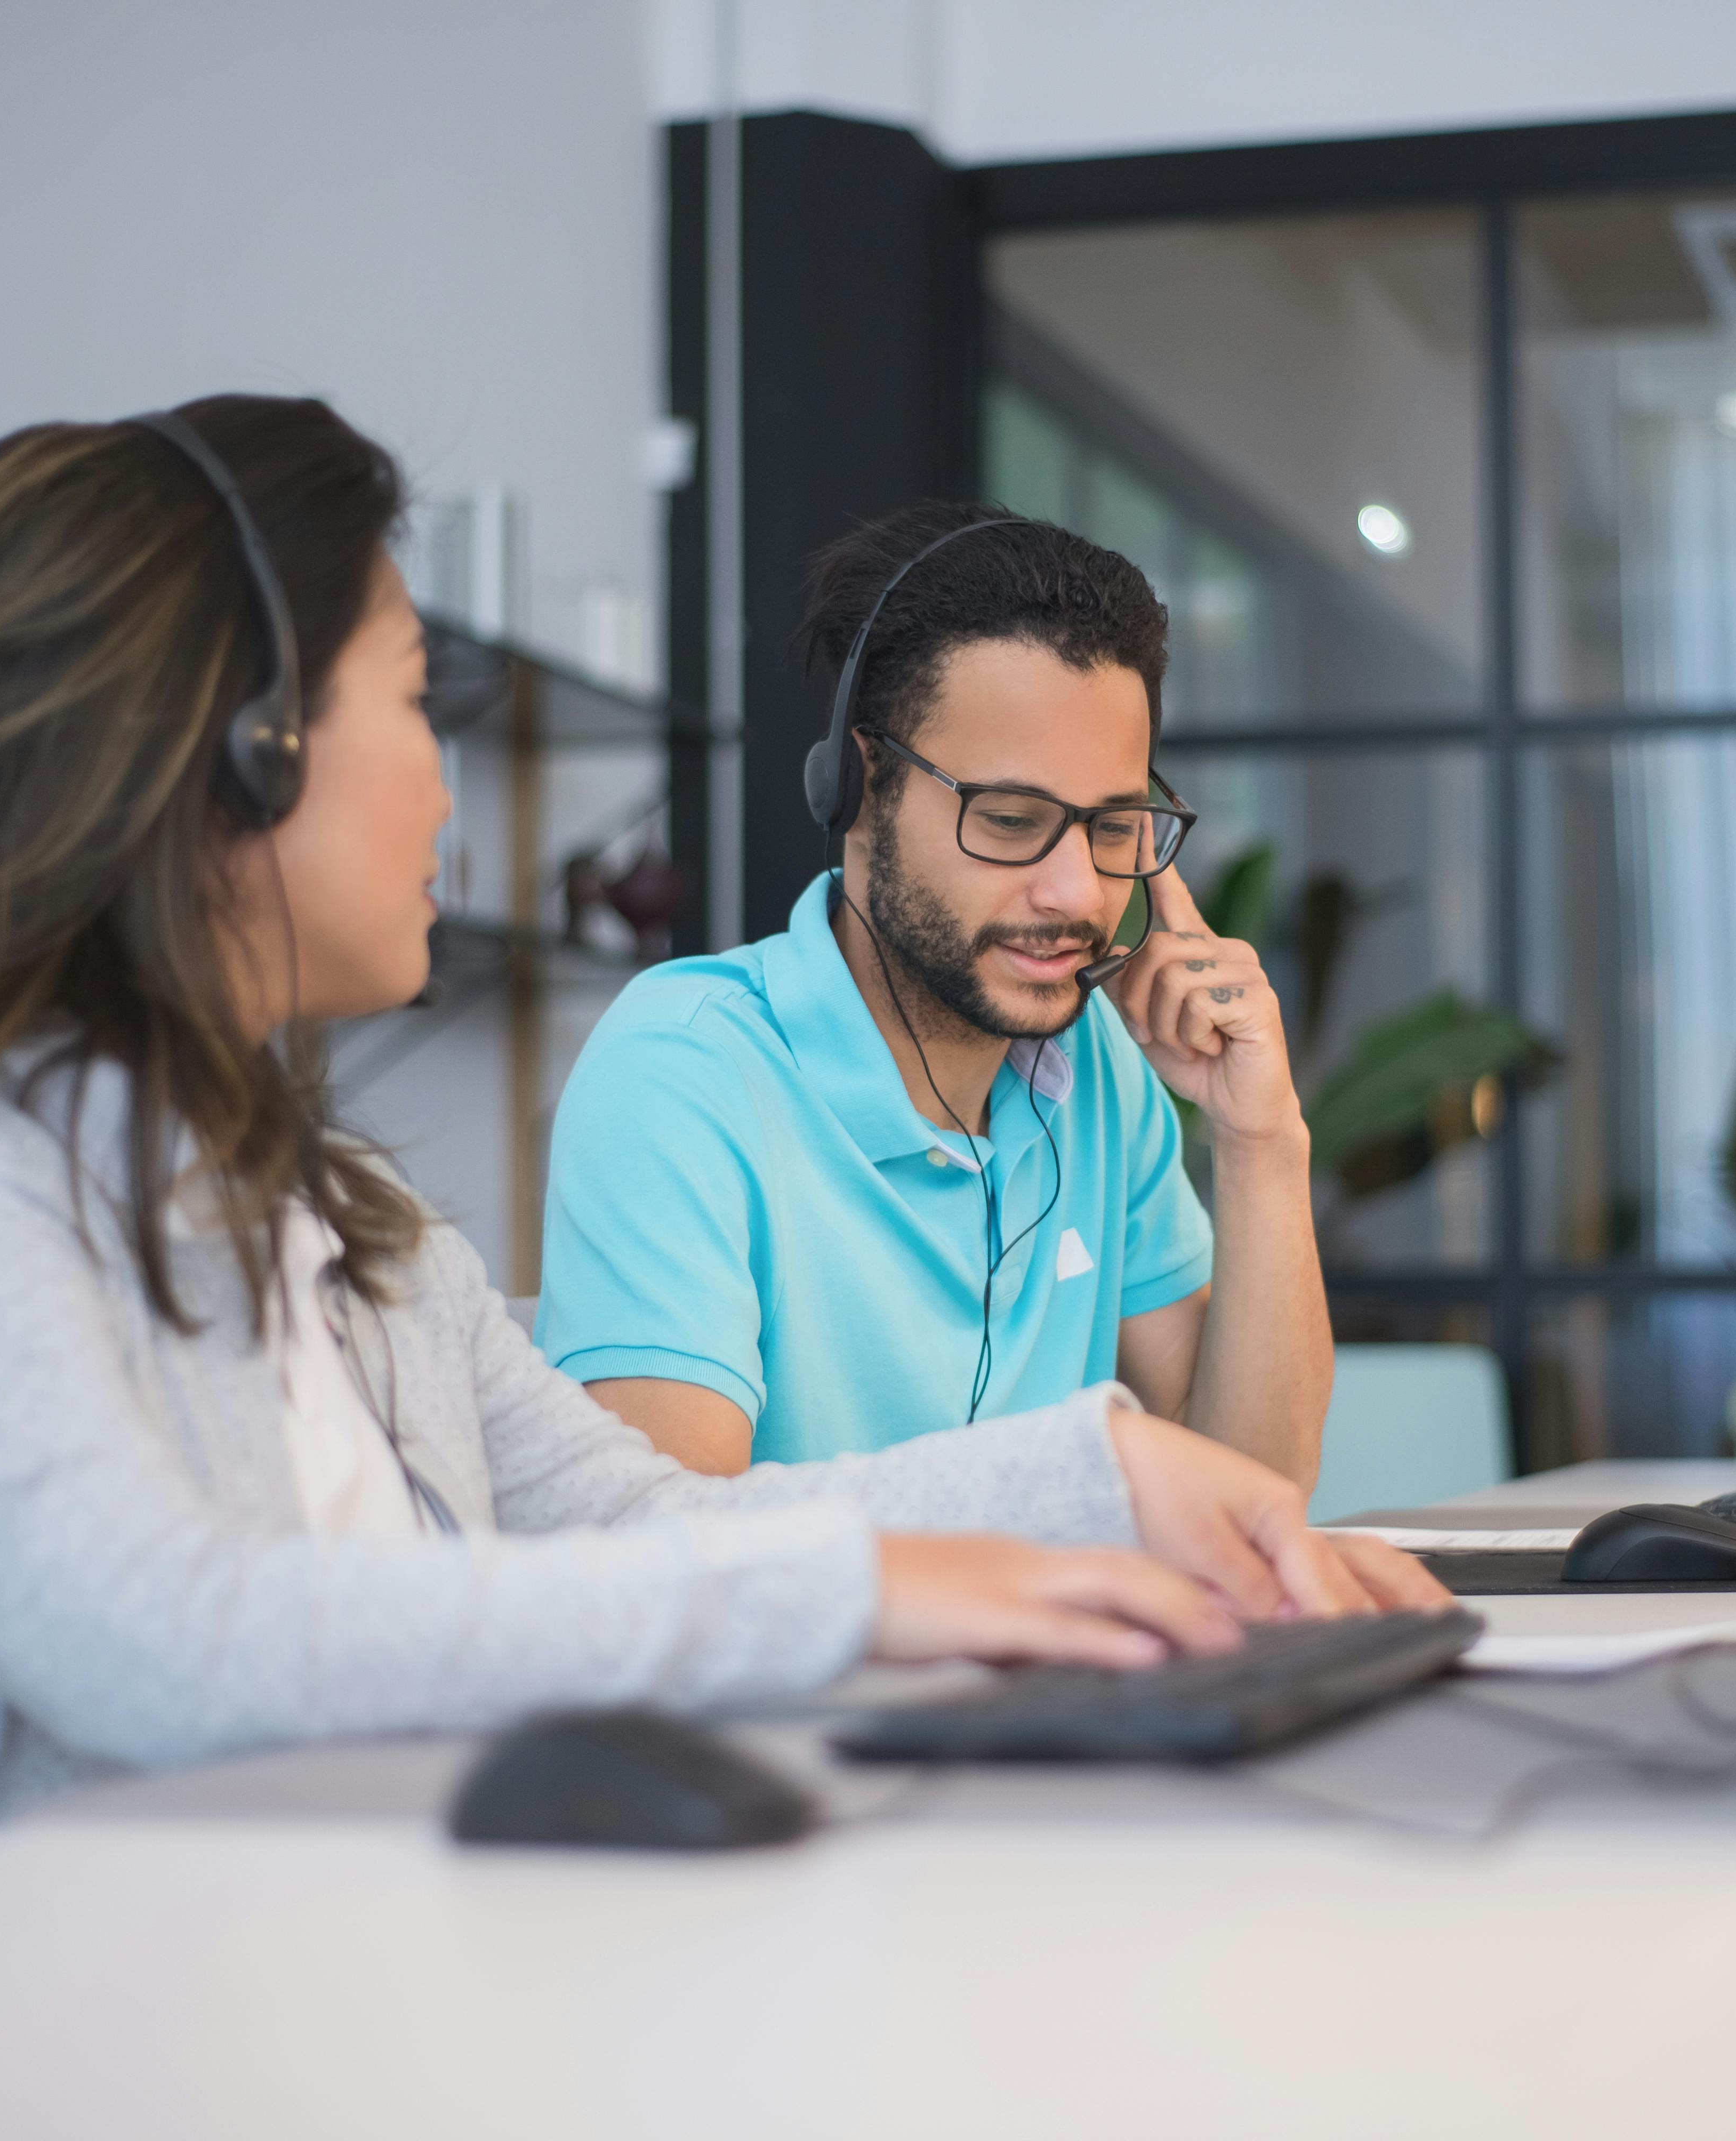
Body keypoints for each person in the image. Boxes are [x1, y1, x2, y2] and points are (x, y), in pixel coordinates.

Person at [0, 399, 1435, 1897]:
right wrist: (918, 1566)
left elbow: (647, 1528)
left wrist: (1102, 1483)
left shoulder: (350, 1231)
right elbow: (173, 1639)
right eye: (409, 704)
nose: (440, 785)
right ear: (236, 758)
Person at [537, 505, 1338, 1499]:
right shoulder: (684, 1074)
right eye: (1010, 821)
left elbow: (1252, 1496)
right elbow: (677, 1562)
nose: (1079, 894)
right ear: (860, 791)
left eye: (1115, 827)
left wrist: (1263, 1142)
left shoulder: (1103, 1074)